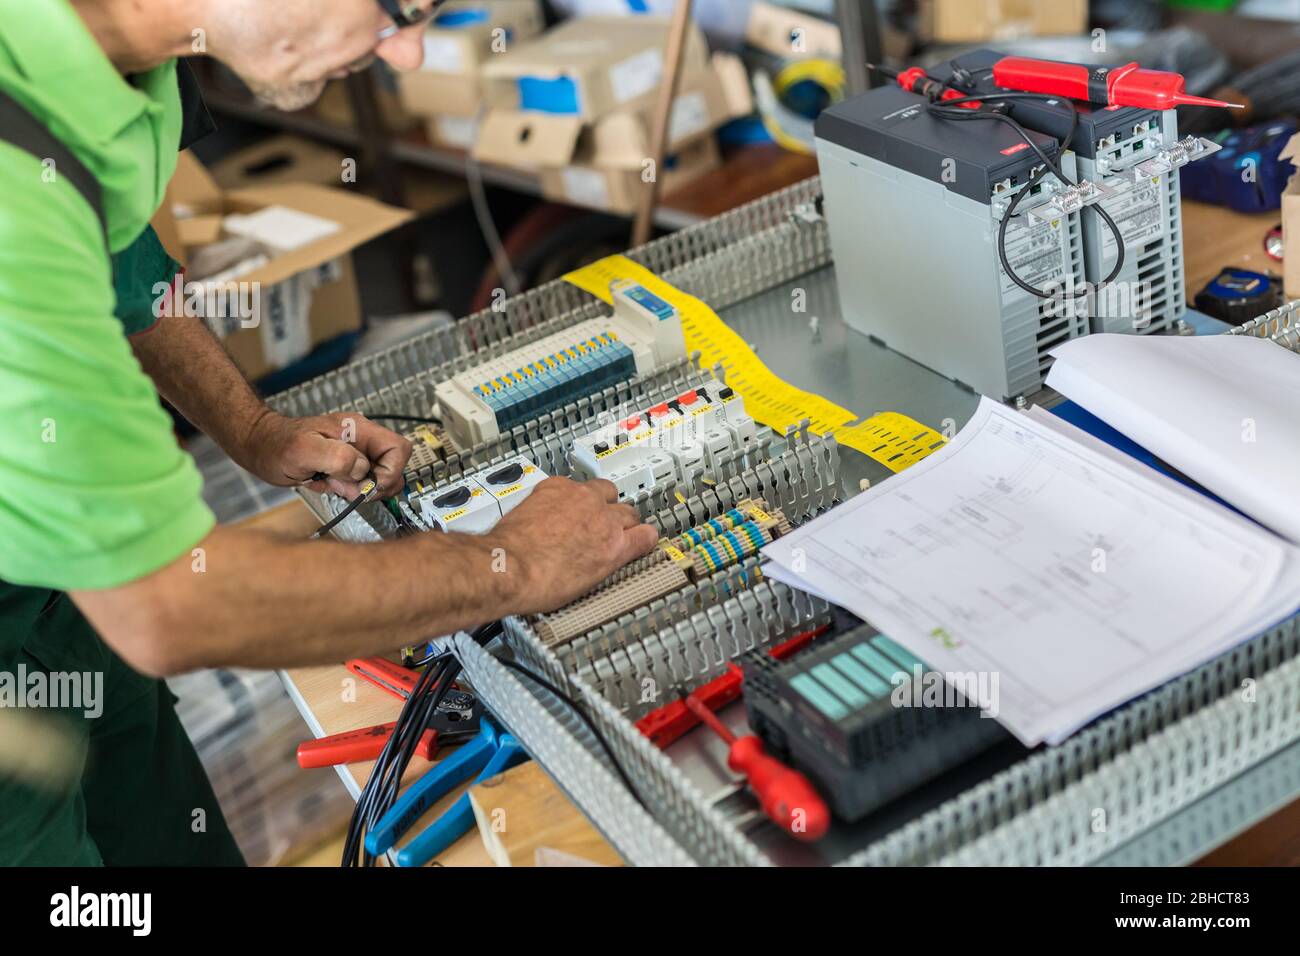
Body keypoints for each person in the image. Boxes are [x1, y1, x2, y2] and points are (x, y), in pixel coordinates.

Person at [0, 0, 658, 865]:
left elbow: (122, 263)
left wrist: (253, 428)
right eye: (397, 9)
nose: (412, 52)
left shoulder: (120, 63)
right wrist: (516, 564)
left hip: (61, 595)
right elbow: (167, 606)